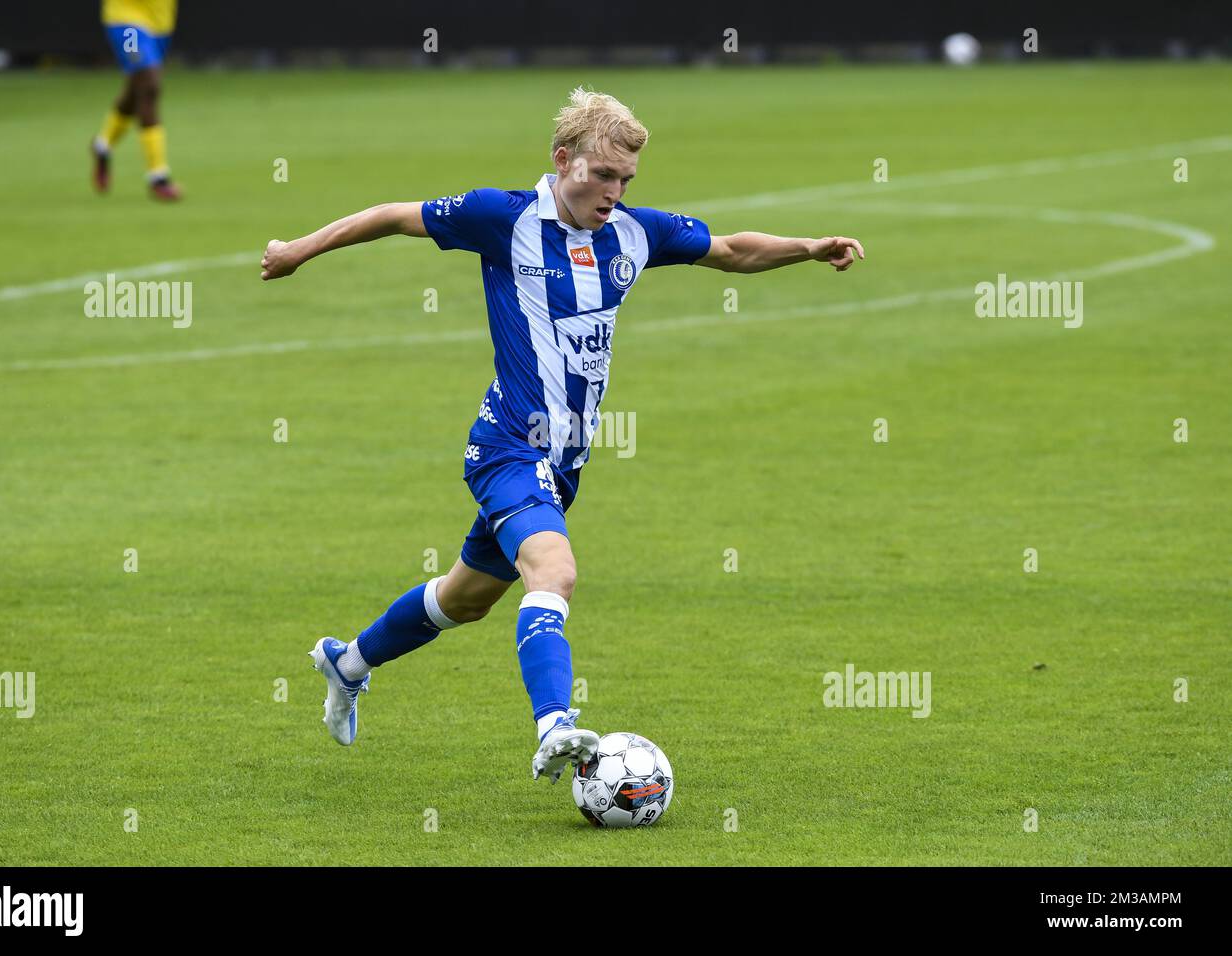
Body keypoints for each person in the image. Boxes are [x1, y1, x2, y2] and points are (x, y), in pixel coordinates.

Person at [260, 88, 864, 784]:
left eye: (625, 179)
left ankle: (347, 662)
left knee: (465, 599)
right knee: (555, 573)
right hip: (508, 447)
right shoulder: (504, 218)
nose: (613, 191)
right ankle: (556, 726)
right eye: (602, 174)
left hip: (565, 460)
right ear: (563, 160)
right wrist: (297, 250)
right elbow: (395, 215)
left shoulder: (638, 234)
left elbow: (730, 250)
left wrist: (809, 248)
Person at [90, 0, 181, 200]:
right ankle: (158, 177)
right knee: (149, 84)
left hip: (160, 24)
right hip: (125, 21)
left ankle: (102, 145)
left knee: (137, 89)